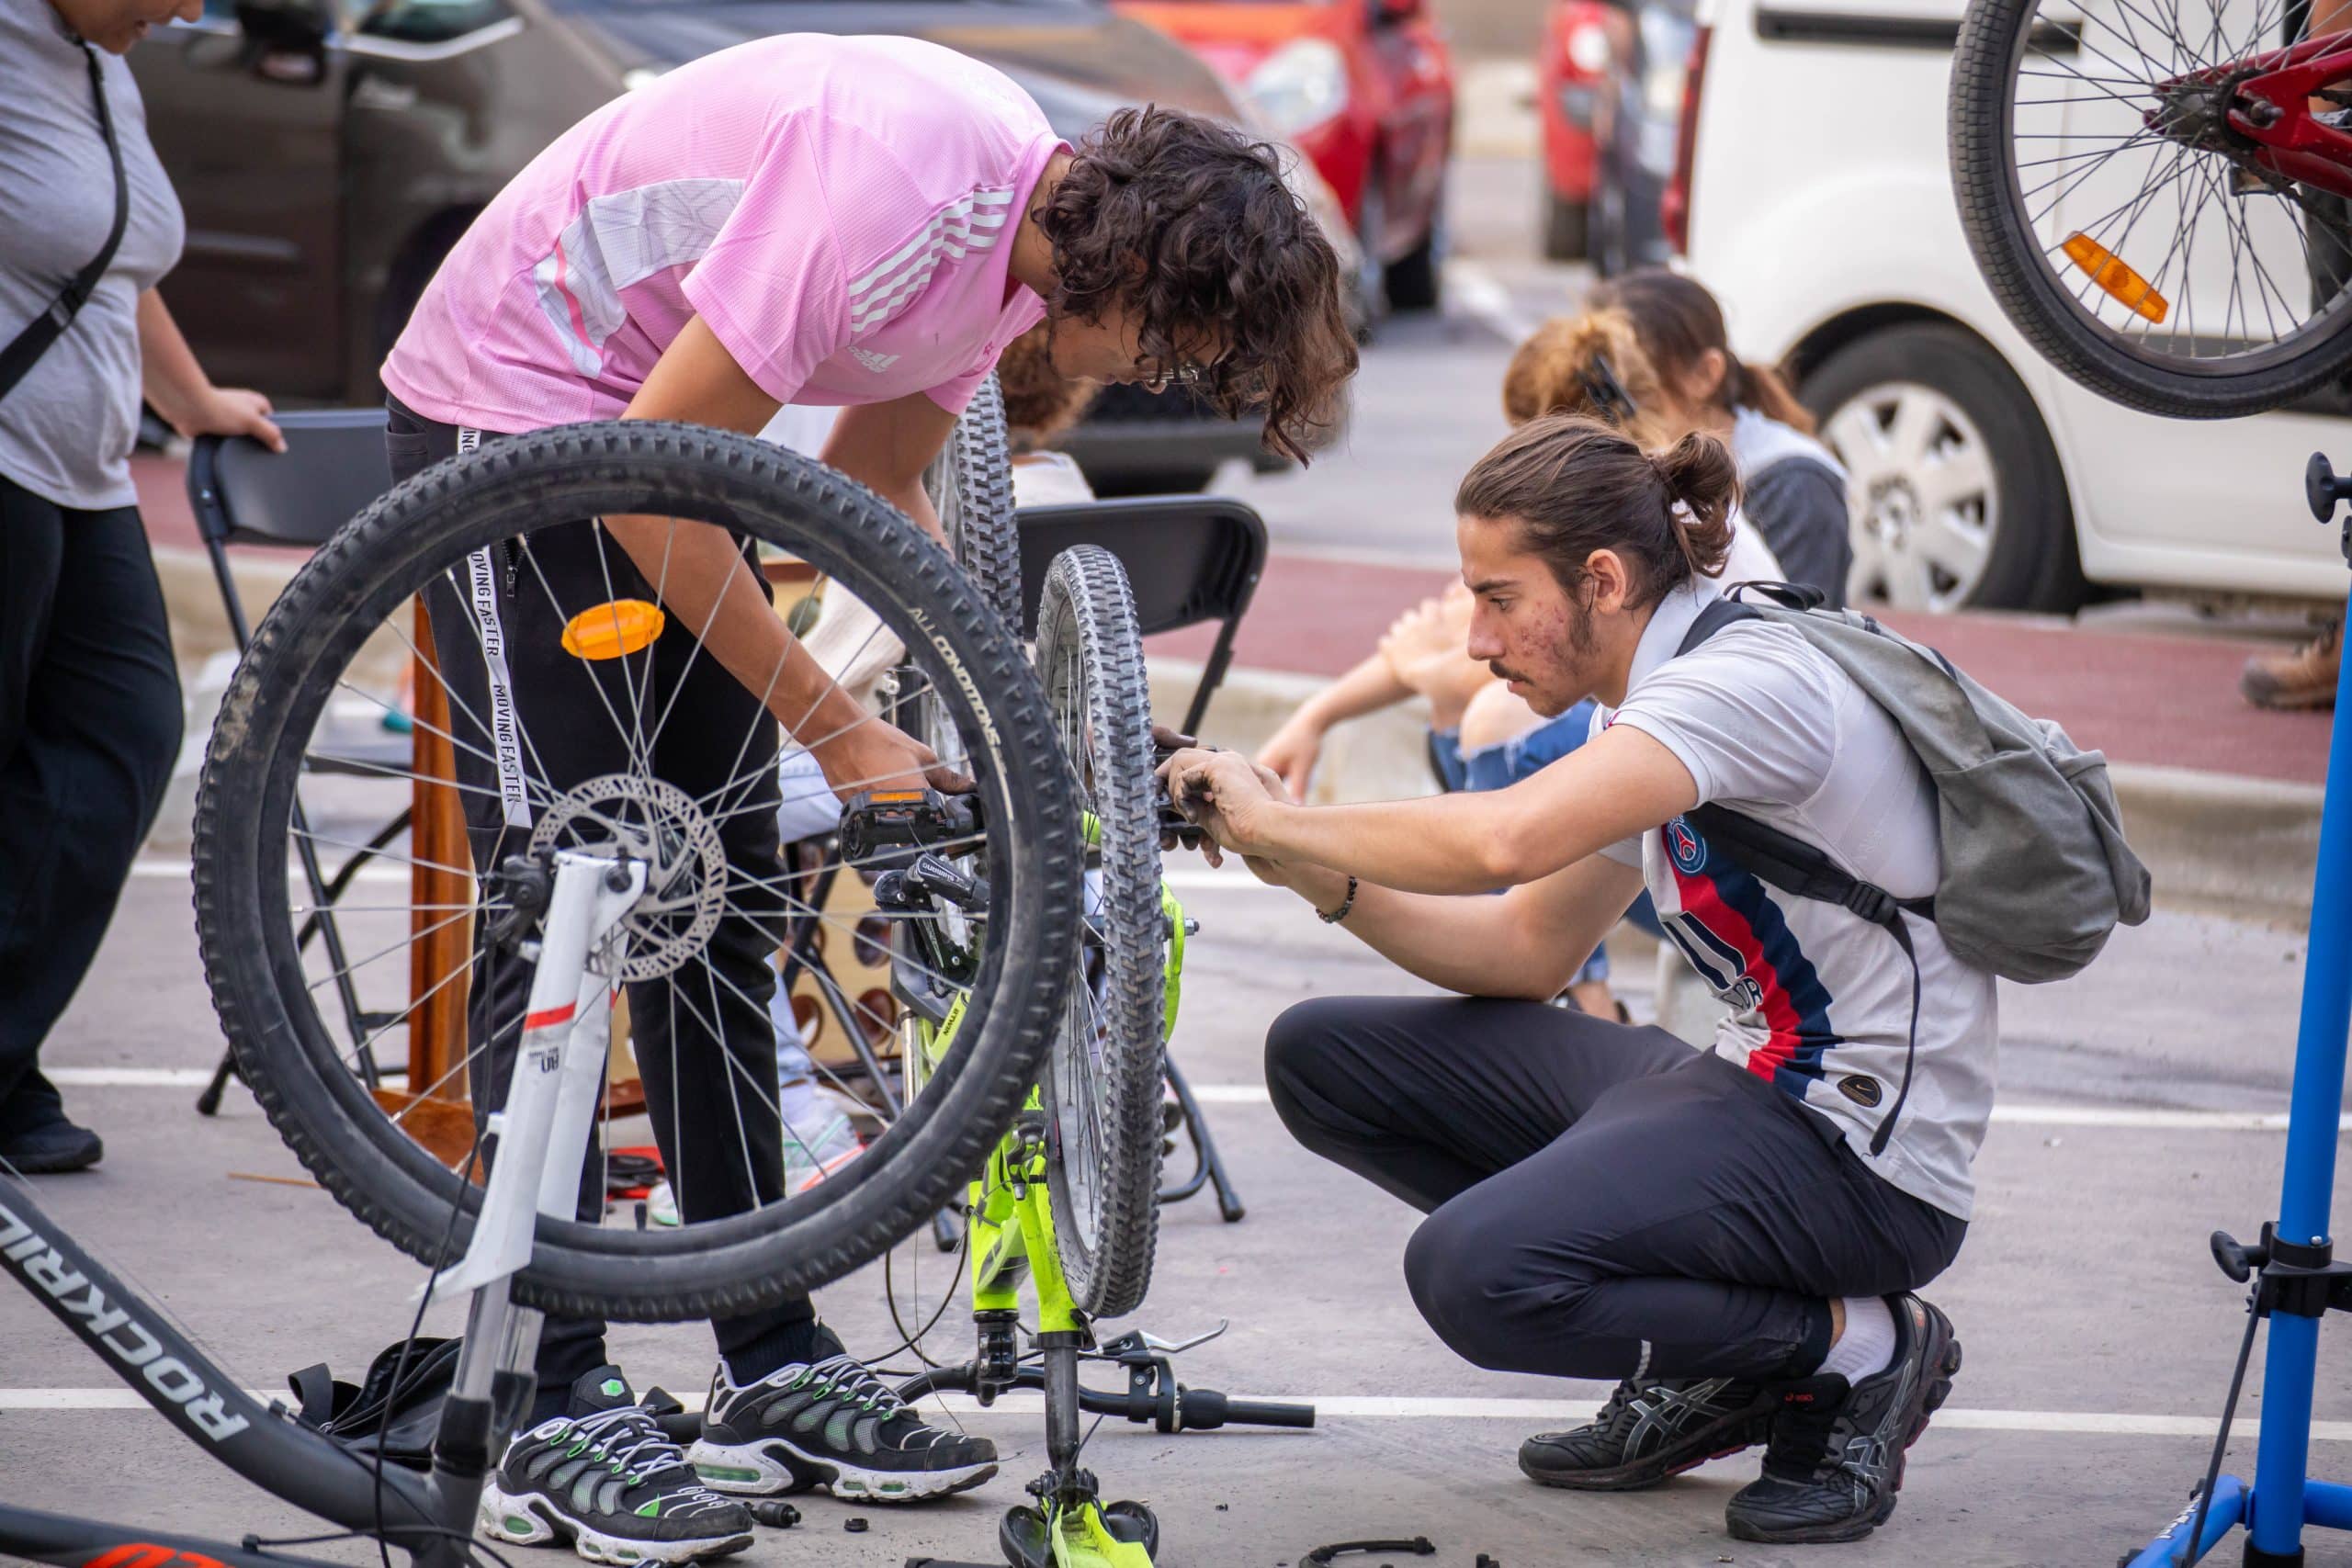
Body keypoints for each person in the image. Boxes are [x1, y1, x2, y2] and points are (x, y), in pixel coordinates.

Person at [378, 32, 1353, 1559]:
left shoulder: (1020, 250)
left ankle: (763, 1353)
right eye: (1174, 340)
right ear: (1141, 270)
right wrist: (837, 726)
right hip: (523, 411)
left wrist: (1014, 719)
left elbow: (875, 483)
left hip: (667, 451)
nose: (1161, 374)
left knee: (713, 895)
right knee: (568, 899)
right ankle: (541, 1403)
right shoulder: (899, 189)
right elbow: (639, 469)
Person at [1165, 413, 1983, 1547]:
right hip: (1744, 1092)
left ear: (1600, 580)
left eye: (1497, 598)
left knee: (1472, 1276)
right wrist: (1304, 864)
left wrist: (1293, 815)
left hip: (1859, 1162)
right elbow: (1526, 950)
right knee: (1322, 1062)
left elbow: (1502, 842)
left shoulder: (1739, 685)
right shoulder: (1653, 693)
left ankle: (1856, 1347)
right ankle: (1721, 1356)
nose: (1475, 642)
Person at [1, 0, 284, 1175]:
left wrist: (194, 401)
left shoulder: (99, 56)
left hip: (89, 469)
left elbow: (110, 260)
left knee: (126, 733)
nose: (184, 13)